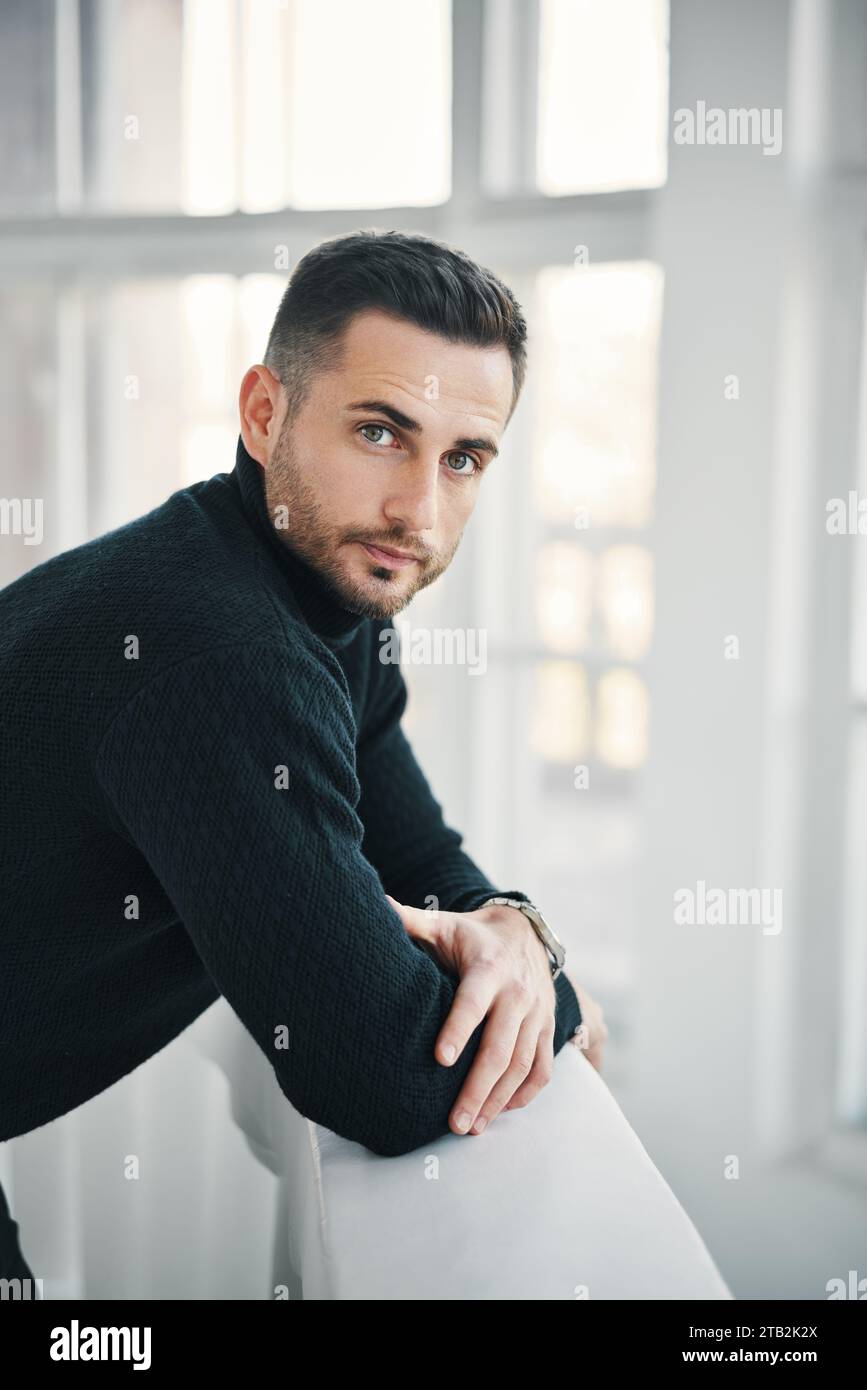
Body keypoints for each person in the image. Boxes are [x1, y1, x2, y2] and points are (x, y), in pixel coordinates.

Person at [0, 231, 607, 1273]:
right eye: (381, 432)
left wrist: (516, 932)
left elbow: (418, 854)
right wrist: (569, 1001)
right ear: (263, 412)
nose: (419, 510)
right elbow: (386, 1076)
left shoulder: (326, 600)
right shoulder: (225, 656)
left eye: (463, 458)